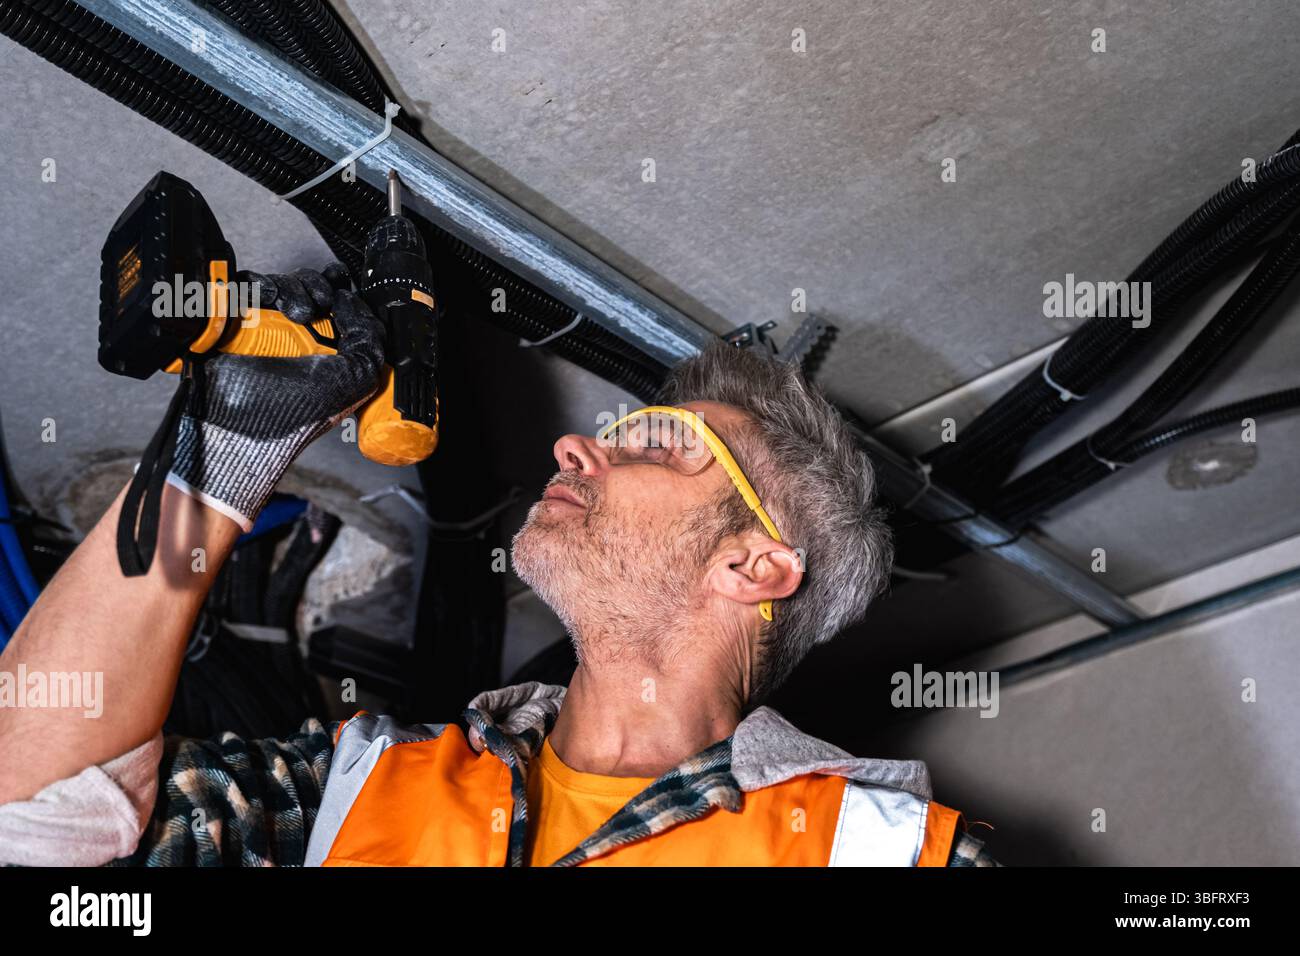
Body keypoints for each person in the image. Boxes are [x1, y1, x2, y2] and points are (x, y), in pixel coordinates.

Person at [0, 264, 998, 867]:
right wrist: (221, 456)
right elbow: (32, 819)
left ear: (754, 563)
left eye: (658, 443)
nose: (576, 447)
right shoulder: (355, 782)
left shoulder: (879, 848)